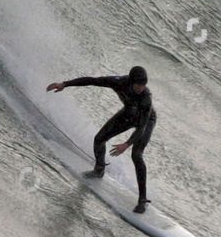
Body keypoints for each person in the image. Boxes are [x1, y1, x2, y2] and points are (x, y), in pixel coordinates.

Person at [46, 65, 156, 212]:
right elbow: (93, 80)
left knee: (137, 155)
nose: (141, 88)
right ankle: (99, 169)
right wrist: (65, 84)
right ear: (131, 82)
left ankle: (142, 199)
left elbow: (141, 128)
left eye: (143, 85)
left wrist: (127, 144)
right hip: (128, 114)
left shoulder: (146, 97)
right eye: (138, 85)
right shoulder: (119, 82)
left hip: (146, 121)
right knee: (99, 139)